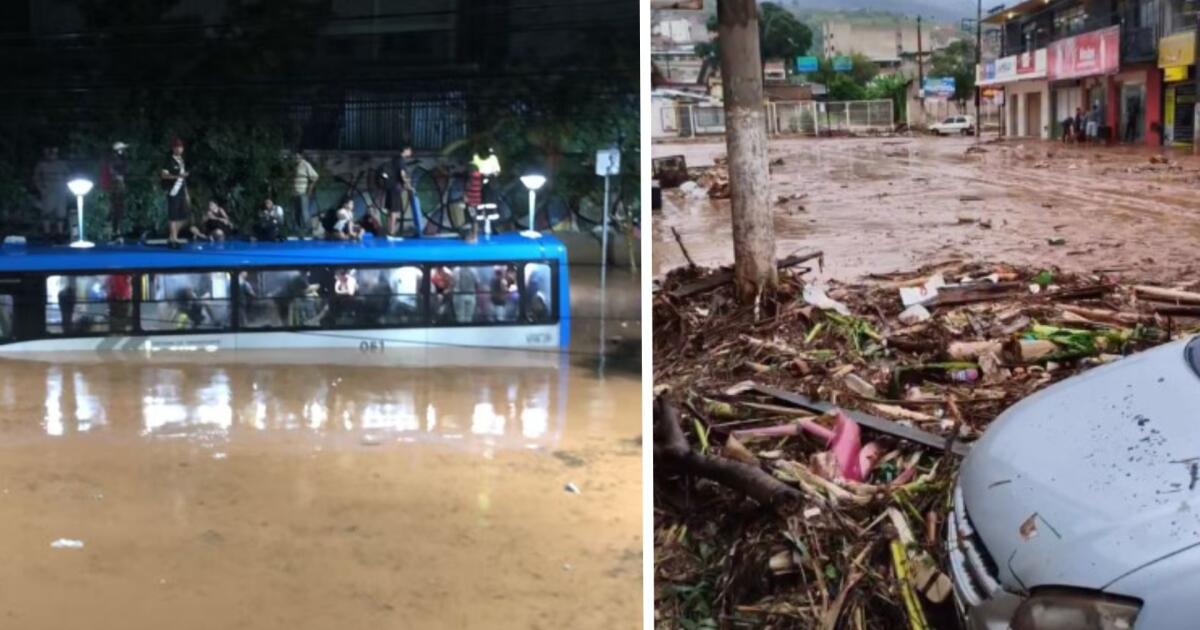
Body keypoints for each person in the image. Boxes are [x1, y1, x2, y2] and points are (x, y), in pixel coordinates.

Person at [33, 146, 70, 238]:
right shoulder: (42, 165)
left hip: (60, 191)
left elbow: (69, 175)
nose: (52, 155)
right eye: (51, 153)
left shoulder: (62, 164)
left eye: (54, 153)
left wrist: (66, 188)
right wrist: (41, 189)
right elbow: (36, 178)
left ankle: (60, 233)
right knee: (46, 212)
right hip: (48, 191)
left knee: (61, 213)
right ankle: (47, 233)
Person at [160, 138, 190, 247]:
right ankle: (174, 239)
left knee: (184, 216)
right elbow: (164, 175)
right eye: (177, 147)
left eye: (181, 147)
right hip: (173, 191)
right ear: (173, 148)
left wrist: (186, 193)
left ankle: (172, 236)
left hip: (181, 190)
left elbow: (184, 179)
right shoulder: (169, 161)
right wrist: (178, 176)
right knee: (173, 216)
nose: (180, 149)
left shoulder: (182, 160)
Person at [387, 143, 416, 236]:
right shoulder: (401, 160)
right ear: (406, 150)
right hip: (395, 188)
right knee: (394, 210)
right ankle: (391, 232)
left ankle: (390, 230)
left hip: (390, 187)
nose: (411, 152)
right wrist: (408, 186)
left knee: (391, 210)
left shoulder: (395, 159)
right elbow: (402, 174)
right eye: (410, 150)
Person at [100, 142, 128, 239]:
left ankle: (116, 231)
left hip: (117, 184)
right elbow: (113, 171)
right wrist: (119, 177)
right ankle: (114, 232)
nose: (124, 150)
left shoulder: (118, 158)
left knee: (118, 208)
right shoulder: (114, 159)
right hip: (115, 185)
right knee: (115, 208)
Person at [291, 152, 319, 235]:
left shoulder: (305, 164)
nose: (296, 158)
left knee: (304, 212)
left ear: (301, 156)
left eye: (297, 156)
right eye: (294, 156)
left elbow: (315, 177)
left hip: (303, 191)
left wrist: (309, 190)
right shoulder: (294, 165)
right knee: (295, 212)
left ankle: (308, 229)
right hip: (294, 192)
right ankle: (297, 230)